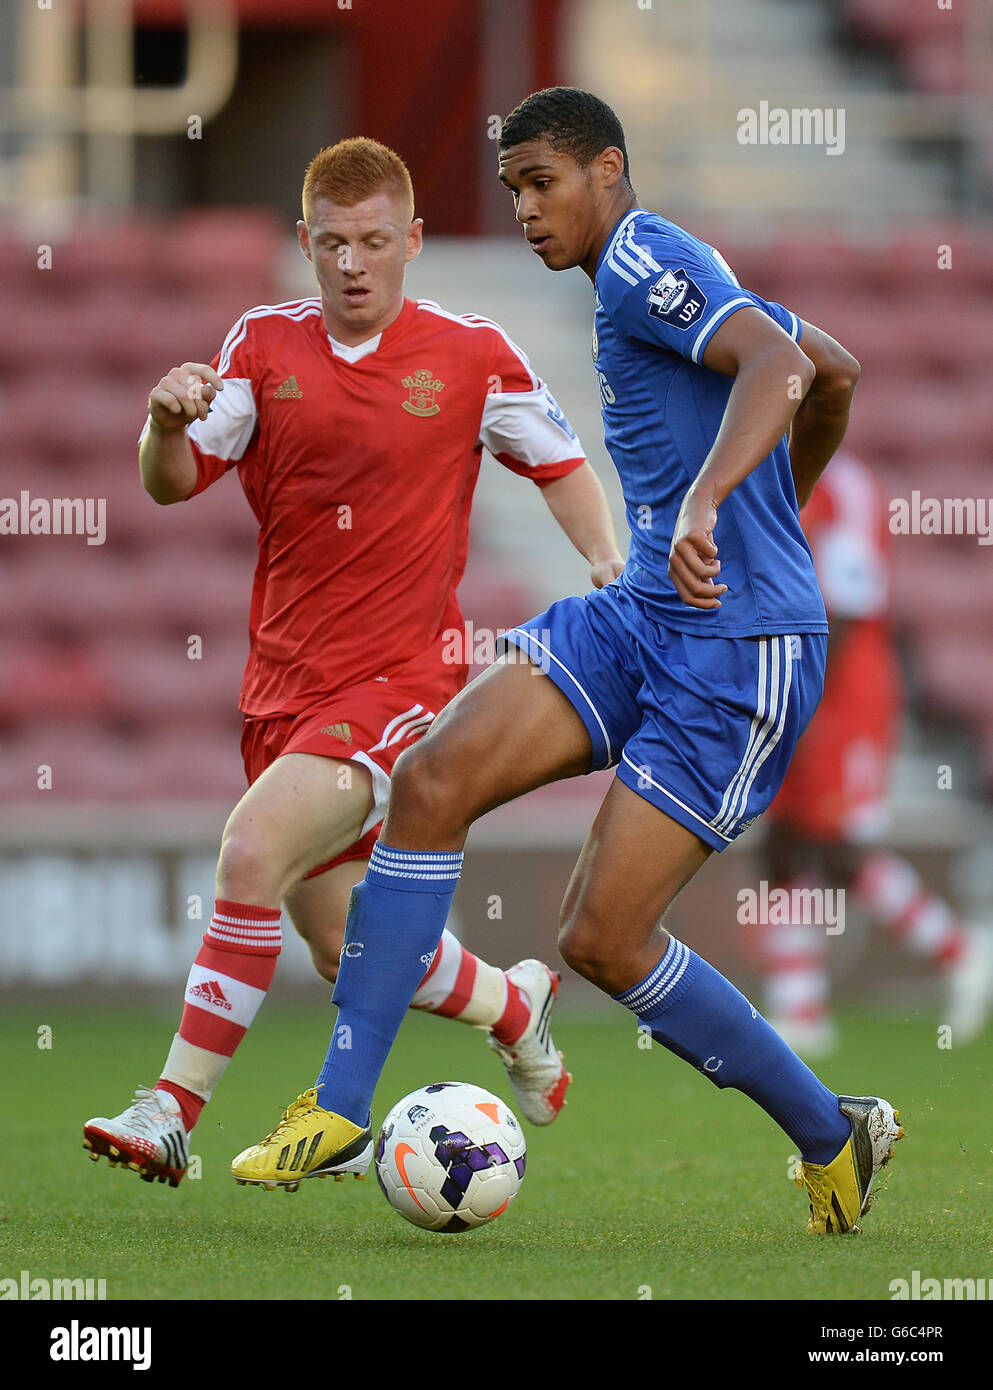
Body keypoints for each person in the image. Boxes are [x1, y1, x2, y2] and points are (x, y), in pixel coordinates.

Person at [233, 90, 902, 1235]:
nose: (529, 211)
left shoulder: (644, 255)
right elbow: (826, 366)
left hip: (738, 654)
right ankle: (340, 1109)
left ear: (609, 170)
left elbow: (785, 366)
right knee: (433, 779)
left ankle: (832, 1133)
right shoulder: (654, 268)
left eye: (545, 184)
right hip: (647, 608)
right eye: (513, 192)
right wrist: (756, 510)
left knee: (600, 938)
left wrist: (714, 509)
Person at [82, 136, 626, 1188]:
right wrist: (158, 420)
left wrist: (606, 560)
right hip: (279, 691)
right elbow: (170, 481)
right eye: (332, 244)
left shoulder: (472, 353)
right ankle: (517, 1003)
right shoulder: (260, 347)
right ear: (304, 243)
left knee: (249, 851)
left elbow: (558, 461)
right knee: (351, 955)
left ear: (413, 241)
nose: (353, 265)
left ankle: (170, 1111)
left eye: (375, 242)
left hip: (402, 685)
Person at [758, 449, 993, 1054]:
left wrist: (809, 703)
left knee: (836, 848)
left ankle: (961, 953)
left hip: (842, 689)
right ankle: (799, 1010)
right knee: (781, 842)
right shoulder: (758, 474)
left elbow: (851, 606)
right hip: (788, 684)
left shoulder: (844, 487)